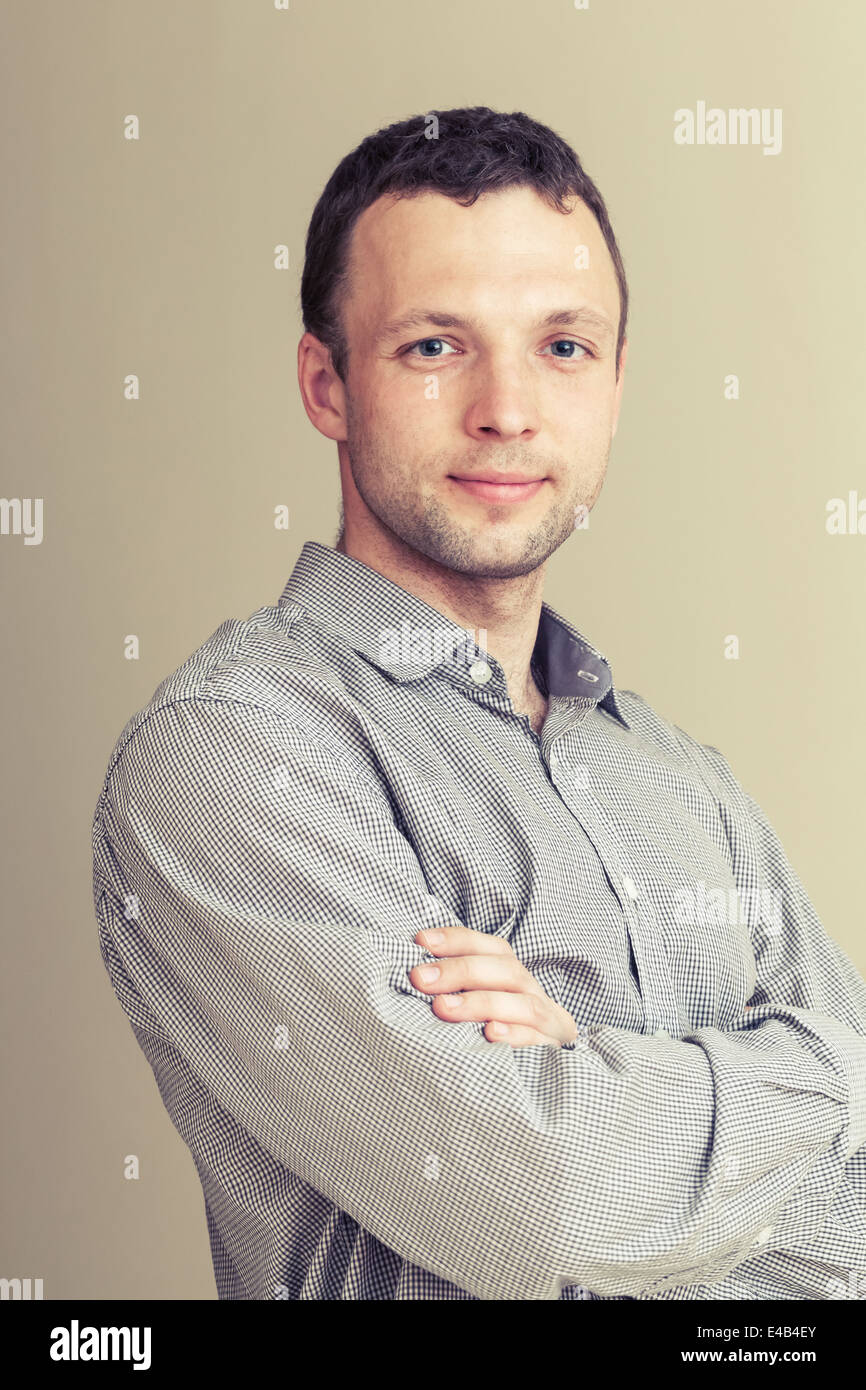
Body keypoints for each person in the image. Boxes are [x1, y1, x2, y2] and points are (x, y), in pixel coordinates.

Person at [91, 106, 866, 1301]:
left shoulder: (679, 781)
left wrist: (588, 1067)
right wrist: (826, 1078)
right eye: (434, 347)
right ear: (326, 383)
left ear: (613, 385)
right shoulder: (233, 753)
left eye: (561, 347)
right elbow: (544, 1200)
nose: (507, 409)